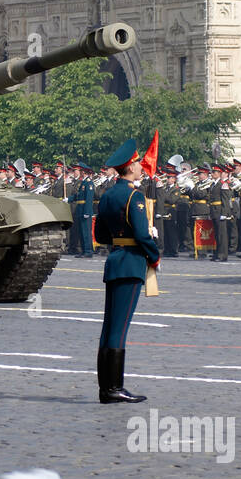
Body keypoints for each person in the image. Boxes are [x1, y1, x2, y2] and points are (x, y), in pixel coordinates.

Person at [92, 138, 159, 403]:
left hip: (115, 259)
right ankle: (113, 389)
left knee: (109, 327)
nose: (142, 167)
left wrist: (121, 238)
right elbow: (143, 236)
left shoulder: (108, 195)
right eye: (138, 163)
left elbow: (100, 234)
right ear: (130, 168)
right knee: (119, 329)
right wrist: (154, 255)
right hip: (131, 262)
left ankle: (105, 388)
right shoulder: (134, 196)